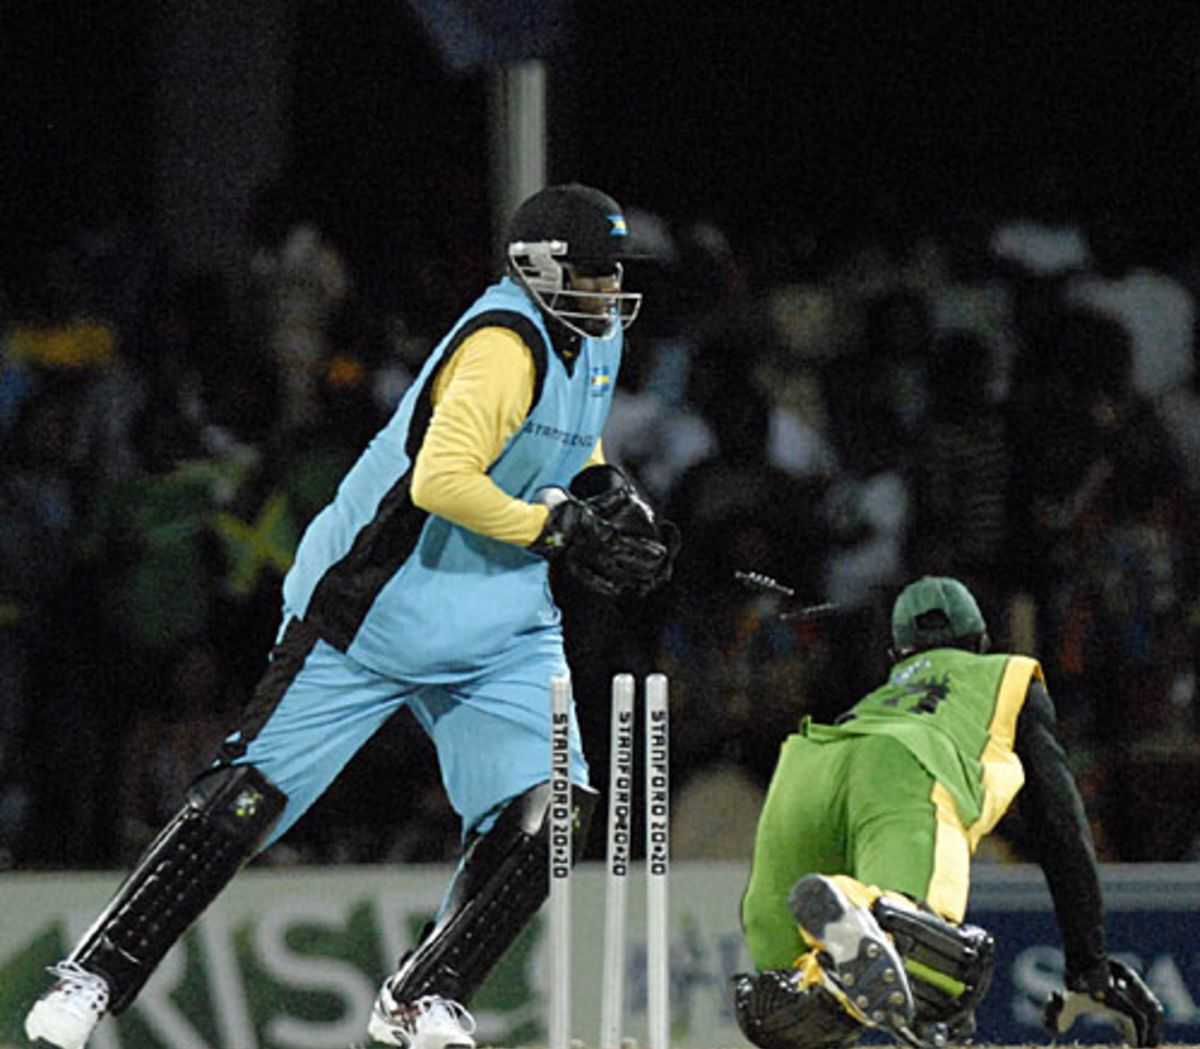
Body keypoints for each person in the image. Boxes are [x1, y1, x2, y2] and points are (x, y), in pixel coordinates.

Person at [23, 182, 679, 1049]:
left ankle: (423, 994)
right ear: (539, 268)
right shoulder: (500, 344)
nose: (609, 289)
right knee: (246, 800)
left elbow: (567, 434)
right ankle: (94, 974)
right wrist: (553, 528)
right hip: (374, 610)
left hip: (502, 625)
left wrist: (600, 490)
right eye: (594, 272)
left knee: (550, 810)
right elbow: (441, 481)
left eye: (615, 273)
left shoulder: (596, 335)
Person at [731, 576, 1164, 1049]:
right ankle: (859, 907)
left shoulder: (871, 704)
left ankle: (814, 976)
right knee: (940, 971)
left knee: (792, 1007)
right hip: (903, 763)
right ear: (981, 643)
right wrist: (1089, 965)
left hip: (805, 769)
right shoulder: (1004, 677)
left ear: (896, 657)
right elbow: (1060, 823)